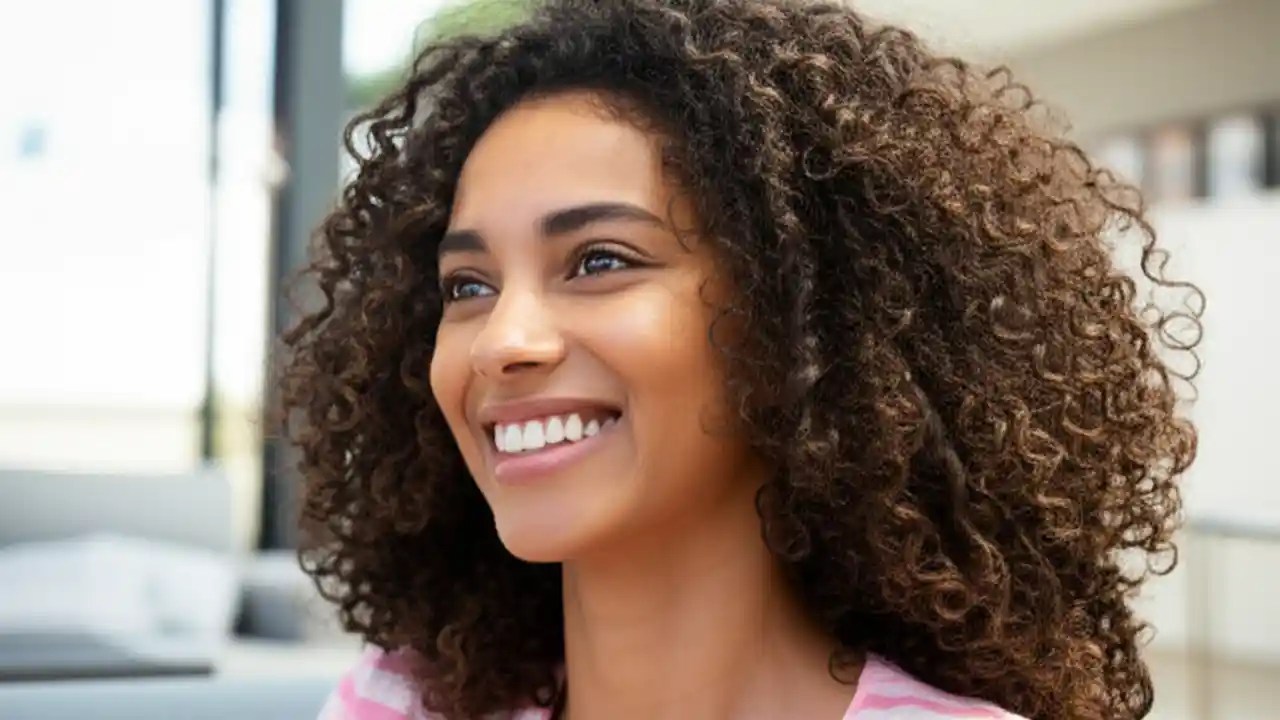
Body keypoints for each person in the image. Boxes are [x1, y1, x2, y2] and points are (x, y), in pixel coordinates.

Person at [281, 0, 1201, 717]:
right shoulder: (395, 706)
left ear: (802, 322)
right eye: (468, 286)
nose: (504, 340)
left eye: (600, 261)